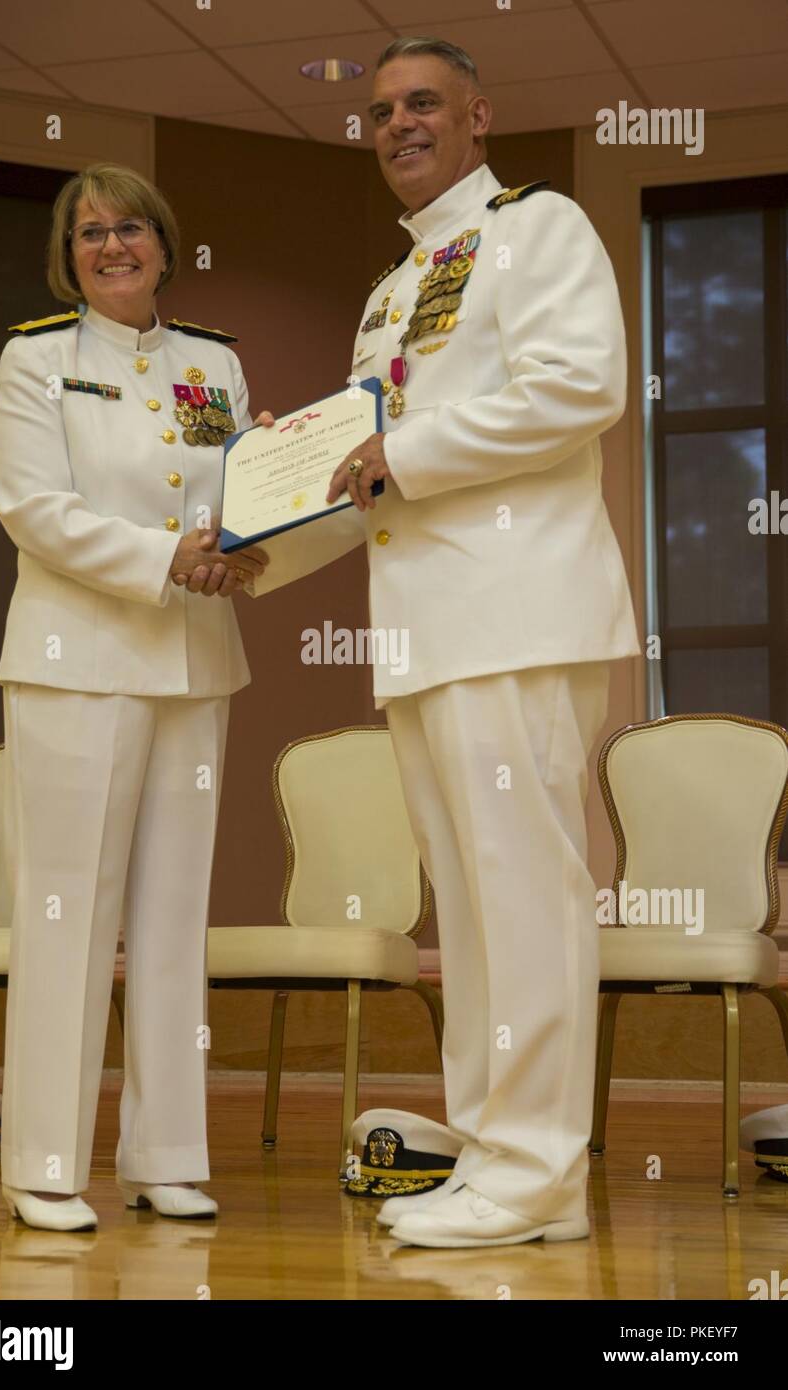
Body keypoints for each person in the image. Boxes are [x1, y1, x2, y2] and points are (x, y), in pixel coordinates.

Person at [324, 37, 641, 1247]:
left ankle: (538, 1166)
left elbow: (577, 387)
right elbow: (357, 474)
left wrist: (399, 452)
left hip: (514, 610)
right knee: (466, 904)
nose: (397, 123)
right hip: (425, 630)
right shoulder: (389, 292)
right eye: (378, 111)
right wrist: (259, 536)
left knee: (525, 894)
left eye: (421, 104)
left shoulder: (538, 224)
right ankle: (495, 1158)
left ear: (477, 117)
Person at [0, 162, 269, 1232]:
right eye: (90, 232)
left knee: (169, 917)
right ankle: (46, 1164)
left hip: (195, 660)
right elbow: (31, 507)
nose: (112, 246)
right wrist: (167, 555)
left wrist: (255, 538)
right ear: (68, 257)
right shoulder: (36, 359)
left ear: (163, 241)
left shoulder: (213, 363)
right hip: (78, 660)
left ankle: (164, 1156)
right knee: (67, 914)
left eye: (131, 228)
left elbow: (245, 505)